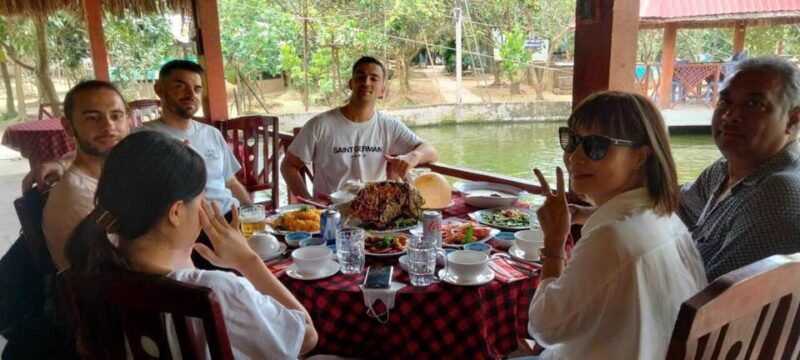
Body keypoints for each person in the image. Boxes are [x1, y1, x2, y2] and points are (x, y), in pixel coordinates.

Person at [65, 131, 318, 358]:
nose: (204, 209)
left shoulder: (96, 268)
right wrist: (247, 261)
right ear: (175, 212)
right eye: (201, 200)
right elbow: (306, 338)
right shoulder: (218, 291)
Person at [528, 92, 707, 359]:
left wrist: (554, 242)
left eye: (596, 146)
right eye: (572, 140)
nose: (574, 157)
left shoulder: (610, 237)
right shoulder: (665, 216)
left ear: (640, 156)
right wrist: (588, 214)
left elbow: (543, 328)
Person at [677, 56, 800, 281]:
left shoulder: (779, 191)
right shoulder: (724, 170)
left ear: (792, 120)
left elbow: (713, 297)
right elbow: (677, 203)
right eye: (725, 101)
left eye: (754, 104)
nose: (730, 116)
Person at [281, 56, 438, 201]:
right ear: (351, 84)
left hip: (375, 212)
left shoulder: (388, 125)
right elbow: (288, 165)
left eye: (374, 78)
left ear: (383, 90)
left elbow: (430, 151)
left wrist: (413, 157)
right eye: (360, 76)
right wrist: (308, 201)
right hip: (332, 214)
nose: (366, 82)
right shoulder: (320, 124)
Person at [138, 59, 252, 212]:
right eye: (180, 86)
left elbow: (230, 183)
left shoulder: (212, 134)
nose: (191, 94)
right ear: (160, 90)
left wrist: (253, 212)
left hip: (230, 217)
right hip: (186, 228)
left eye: (197, 89)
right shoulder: (144, 138)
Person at [42, 80, 131, 271]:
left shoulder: (111, 174)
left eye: (116, 116)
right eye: (92, 118)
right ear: (68, 127)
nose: (108, 126)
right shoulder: (82, 197)